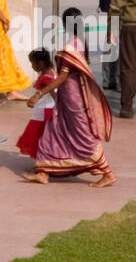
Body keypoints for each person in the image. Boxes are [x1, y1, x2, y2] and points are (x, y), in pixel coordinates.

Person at [22, 41, 116, 187]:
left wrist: (39, 94)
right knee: (51, 133)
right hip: (68, 98)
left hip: (73, 101)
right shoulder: (80, 44)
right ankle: (43, 172)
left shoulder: (70, 47)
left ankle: (107, 172)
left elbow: (62, 78)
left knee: (84, 138)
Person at [17, 49, 56, 158]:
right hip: (45, 108)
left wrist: (33, 99)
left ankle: (43, 162)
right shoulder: (52, 72)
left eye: (32, 63)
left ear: (40, 63)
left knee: (39, 135)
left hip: (44, 110)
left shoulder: (46, 78)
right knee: (45, 136)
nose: (32, 66)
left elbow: (50, 92)